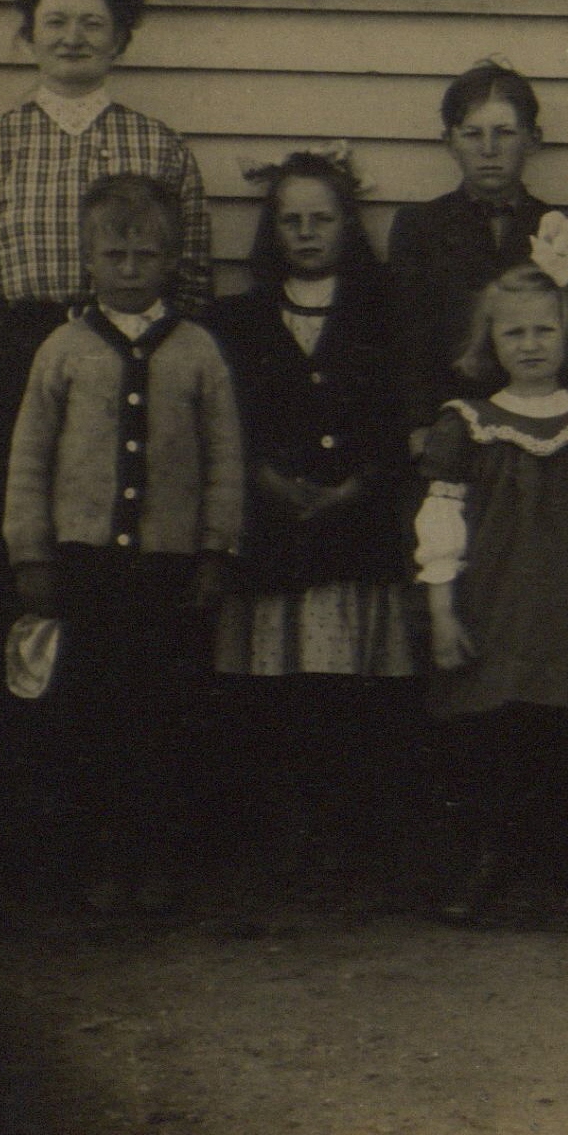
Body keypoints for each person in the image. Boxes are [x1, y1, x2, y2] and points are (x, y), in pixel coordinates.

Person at [0, 0, 212, 646]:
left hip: (136, 356)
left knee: (119, 533)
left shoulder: (158, 146)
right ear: (28, 34)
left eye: (93, 23)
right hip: (25, 354)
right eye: (55, 21)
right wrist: (6, 347)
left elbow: (194, 268)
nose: (73, 38)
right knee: (12, 540)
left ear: (121, 37)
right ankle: (9, 718)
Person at [4, 174, 241, 913]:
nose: (130, 267)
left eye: (146, 254)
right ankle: (98, 859)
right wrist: (32, 554)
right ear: (88, 258)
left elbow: (224, 456)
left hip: (166, 565)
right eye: (115, 253)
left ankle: (156, 859)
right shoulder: (63, 349)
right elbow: (29, 458)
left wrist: (214, 550)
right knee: (93, 714)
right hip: (86, 564)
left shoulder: (198, 349)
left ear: (172, 259)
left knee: (161, 715)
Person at [415, 243, 568, 922]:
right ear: (490, 339)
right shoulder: (468, 423)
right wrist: (442, 609)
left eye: (544, 328)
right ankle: (493, 858)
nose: (530, 343)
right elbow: (441, 519)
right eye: (513, 330)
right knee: (496, 731)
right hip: (495, 600)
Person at [210, 148, 417, 881]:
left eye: (321, 218)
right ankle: (283, 837)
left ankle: (348, 840)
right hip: (275, 535)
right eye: (290, 220)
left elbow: (402, 417)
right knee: (279, 696)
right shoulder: (236, 318)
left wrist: (359, 484)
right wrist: (264, 476)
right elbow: (223, 418)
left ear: (347, 224)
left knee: (348, 694)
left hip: (357, 531)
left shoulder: (384, 310)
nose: (306, 232)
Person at [385, 63, 554, 446]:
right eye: (473, 134)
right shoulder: (419, 227)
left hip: (534, 421)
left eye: (505, 133)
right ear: (450, 141)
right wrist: (420, 422)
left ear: (532, 139)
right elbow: (408, 335)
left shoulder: (555, 227)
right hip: (449, 420)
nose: (489, 150)